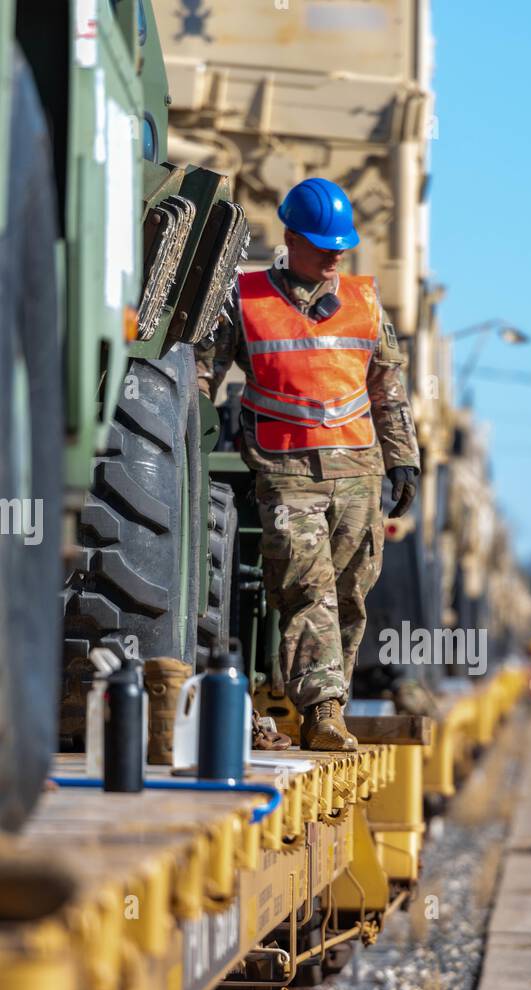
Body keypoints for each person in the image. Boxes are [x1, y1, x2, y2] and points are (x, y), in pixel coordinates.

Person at [195, 177, 420, 750]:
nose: (335, 254)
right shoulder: (247, 301)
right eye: (324, 244)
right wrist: (189, 433)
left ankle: (329, 704)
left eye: (341, 244)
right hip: (286, 473)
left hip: (359, 476)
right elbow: (202, 374)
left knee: (347, 597)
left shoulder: (365, 302)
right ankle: (320, 711)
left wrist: (403, 461)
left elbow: (388, 390)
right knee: (305, 589)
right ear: (291, 238)